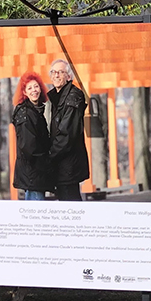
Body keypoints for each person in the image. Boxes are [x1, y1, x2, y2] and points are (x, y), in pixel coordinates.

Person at [47, 58, 89, 201]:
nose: (56, 75)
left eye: (60, 72)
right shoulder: (57, 97)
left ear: (69, 76)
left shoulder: (73, 97)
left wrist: (49, 155)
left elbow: (66, 134)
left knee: (71, 205)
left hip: (68, 165)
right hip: (62, 164)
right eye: (53, 72)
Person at [11, 71, 52, 200]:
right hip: (33, 172)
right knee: (36, 208)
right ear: (24, 92)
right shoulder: (25, 113)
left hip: (36, 172)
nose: (34, 90)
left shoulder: (36, 111)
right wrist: (48, 160)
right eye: (29, 88)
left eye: (36, 86)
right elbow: (28, 146)